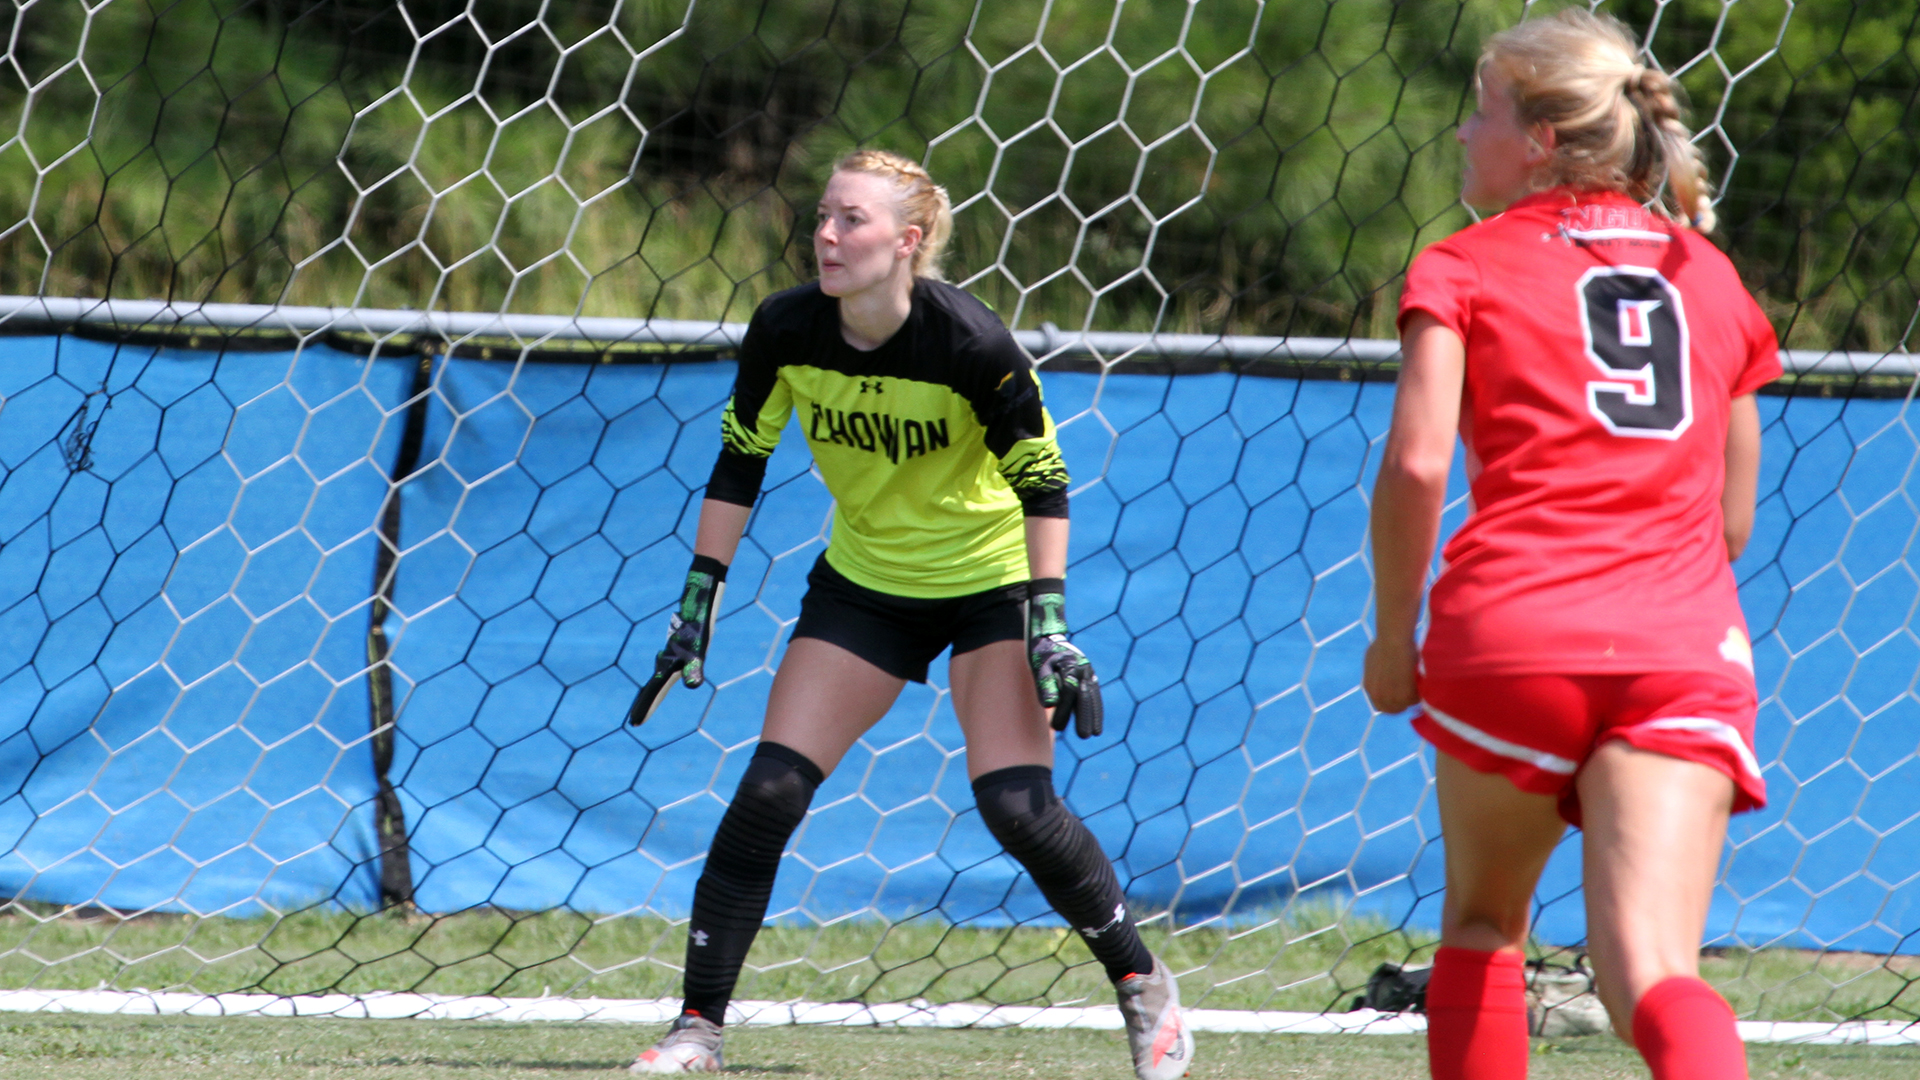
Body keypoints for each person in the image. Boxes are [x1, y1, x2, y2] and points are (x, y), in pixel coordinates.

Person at [621, 148, 1193, 1079]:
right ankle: (697, 1031)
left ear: (908, 242)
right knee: (768, 791)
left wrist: (1047, 625)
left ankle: (1142, 985)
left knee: (1016, 806)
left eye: (853, 220)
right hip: (866, 588)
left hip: (989, 589)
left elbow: (1045, 489)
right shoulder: (786, 328)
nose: (828, 235)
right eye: (822, 217)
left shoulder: (971, 344)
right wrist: (700, 596)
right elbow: (739, 463)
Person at [1363, 11, 1776, 1080]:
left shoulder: (1460, 266)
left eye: (1480, 111)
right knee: (1652, 972)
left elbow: (1415, 468)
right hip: (1682, 647)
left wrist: (1391, 641)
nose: (1463, 134)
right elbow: (1732, 522)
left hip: (1514, 636)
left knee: (1483, 931)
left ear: (1541, 139)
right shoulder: (1712, 277)